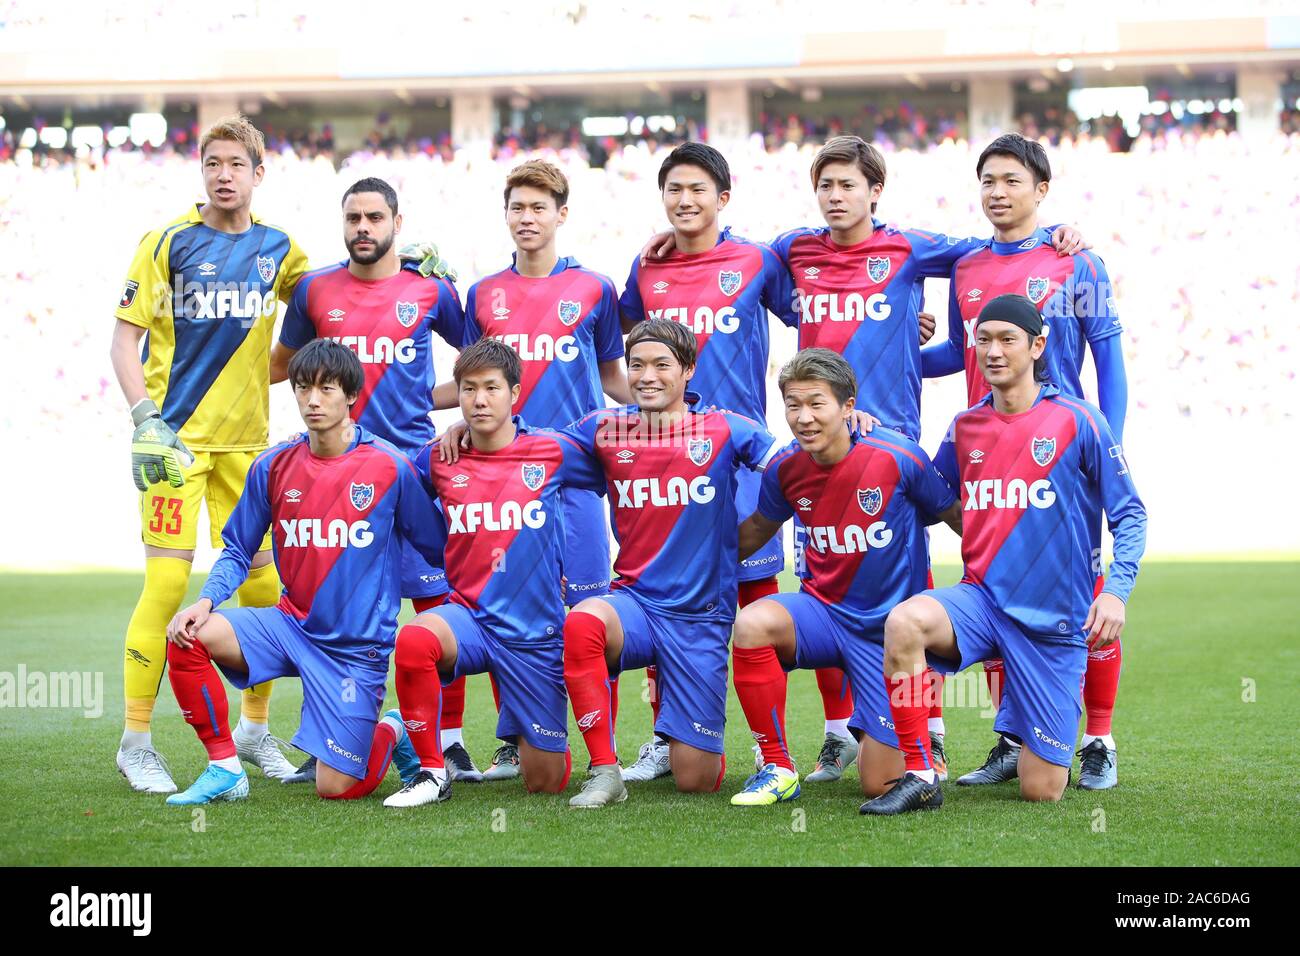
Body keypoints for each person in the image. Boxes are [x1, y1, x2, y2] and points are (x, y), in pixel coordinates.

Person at [643, 135, 1085, 784]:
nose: (836, 197)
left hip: (891, 449)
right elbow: (728, 260)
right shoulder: (794, 250)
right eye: (826, 185)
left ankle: (928, 732)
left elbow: (995, 249)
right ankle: (836, 732)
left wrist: (1056, 234)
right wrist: (674, 242)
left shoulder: (910, 247)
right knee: (826, 576)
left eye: (849, 185)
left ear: (875, 191)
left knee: (904, 594)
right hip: (818, 445)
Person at [861, 294, 1145, 815]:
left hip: (1052, 622)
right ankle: (922, 773)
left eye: (1006, 339)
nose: (992, 351)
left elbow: (1130, 515)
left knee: (1042, 790)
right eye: (983, 339)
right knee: (905, 623)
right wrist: (866, 435)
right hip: (983, 603)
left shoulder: (1078, 420)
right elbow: (930, 492)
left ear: (1038, 345)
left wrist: (1116, 594)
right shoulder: (966, 425)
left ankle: (1033, 730)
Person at [922, 133, 1129, 790]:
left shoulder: (1079, 263)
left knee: (1085, 593)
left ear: (1042, 190)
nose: (998, 192)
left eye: (1012, 180)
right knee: (992, 585)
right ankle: (1013, 738)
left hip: (1063, 449)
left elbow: (1109, 359)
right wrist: (897, 346)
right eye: (988, 180)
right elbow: (958, 354)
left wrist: (1107, 449)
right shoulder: (968, 267)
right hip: (990, 452)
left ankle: (1098, 736)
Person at [108, 114, 308, 793]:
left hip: (247, 451)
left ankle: (253, 731)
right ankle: (136, 742)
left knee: (262, 588)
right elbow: (123, 342)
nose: (223, 174)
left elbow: (329, 305)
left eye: (235, 164)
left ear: (258, 173)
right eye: (212, 163)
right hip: (176, 445)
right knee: (166, 587)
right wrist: (145, 421)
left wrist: (403, 263)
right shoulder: (167, 242)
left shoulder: (280, 249)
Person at [163, 340, 445, 805]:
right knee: (187, 634)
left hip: (356, 650)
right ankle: (225, 768)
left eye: (326, 389)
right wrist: (205, 601)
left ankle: (392, 729)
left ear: (351, 394)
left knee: (335, 789)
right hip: (289, 627)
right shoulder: (273, 465)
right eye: (302, 388)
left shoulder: (388, 466)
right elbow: (237, 549)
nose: (312, 400)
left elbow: (439, 547)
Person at [268, 176, 470, 782]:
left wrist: (438, 407)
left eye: (374, 218)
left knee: (435, 601)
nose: (363, 227)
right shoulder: (312, 290)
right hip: (335, 474)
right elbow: (281, 368)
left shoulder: (430, 290)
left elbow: (482, 366)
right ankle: (331, 735)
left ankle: (450, 742)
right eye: (353, 217)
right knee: (328, 609)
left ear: (396, 224)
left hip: (411, 468)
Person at [615, 142, 795, 783]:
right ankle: (672, 736)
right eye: (674, 191)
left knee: (754, 604)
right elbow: (626, 353)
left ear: (724, 198)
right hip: (667, 466)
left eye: (698, 190)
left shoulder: (758, 260)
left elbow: (819, 316)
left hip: (741, 465)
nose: (685, 201)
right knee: (668, 597)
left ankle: (783, 747)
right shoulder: (646, 271)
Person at [457, 159, 631, 781]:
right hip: (504, 486)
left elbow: (613, 377)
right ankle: (516, 742)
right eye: (517, 208)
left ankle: (601, 753)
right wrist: (433, 411)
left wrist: (667, 408)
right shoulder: (482, 295)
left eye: (538, 207)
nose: (527, 219)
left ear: (562, 214)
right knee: (512, 611)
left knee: (587, 612)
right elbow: (472, 379)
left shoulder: (594, 288)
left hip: (577, 477)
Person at [560, 319, 779, 807]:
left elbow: (797, 463)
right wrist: (466, 430)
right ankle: (604, 770)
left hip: (700, 618)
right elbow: (523, 453)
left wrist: (857, 427)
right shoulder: (603, 429)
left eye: (662, 364)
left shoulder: (726, 429)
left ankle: (691, 739)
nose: (647, 376)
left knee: (696, 780)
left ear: (688, 371)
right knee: (582, 624)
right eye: (636, 365)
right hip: (635, 604)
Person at [383, 338, 607, 807]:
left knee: (546, 780)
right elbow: (395, 495)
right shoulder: (439, 456)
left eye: (491, 388)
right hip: (469, 619)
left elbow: (623, 472)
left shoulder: (553, 451)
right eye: (468, 389)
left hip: (534, 633)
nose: (479, 399)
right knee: (415, 639)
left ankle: (517, 733)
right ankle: (429, 770)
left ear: (515, 393)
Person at [730, 349, 959, 806]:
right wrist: (688, 563)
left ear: (848, 406)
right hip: (824, 615)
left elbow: (954, 515)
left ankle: (879, 734)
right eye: (793, 405)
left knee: (880, 783)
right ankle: (777, 767)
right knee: (752, 624)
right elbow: (756, 529)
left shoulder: (898, 456)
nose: (804, 418)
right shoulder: (785, 469)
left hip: (889, 634)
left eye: (817, 403)